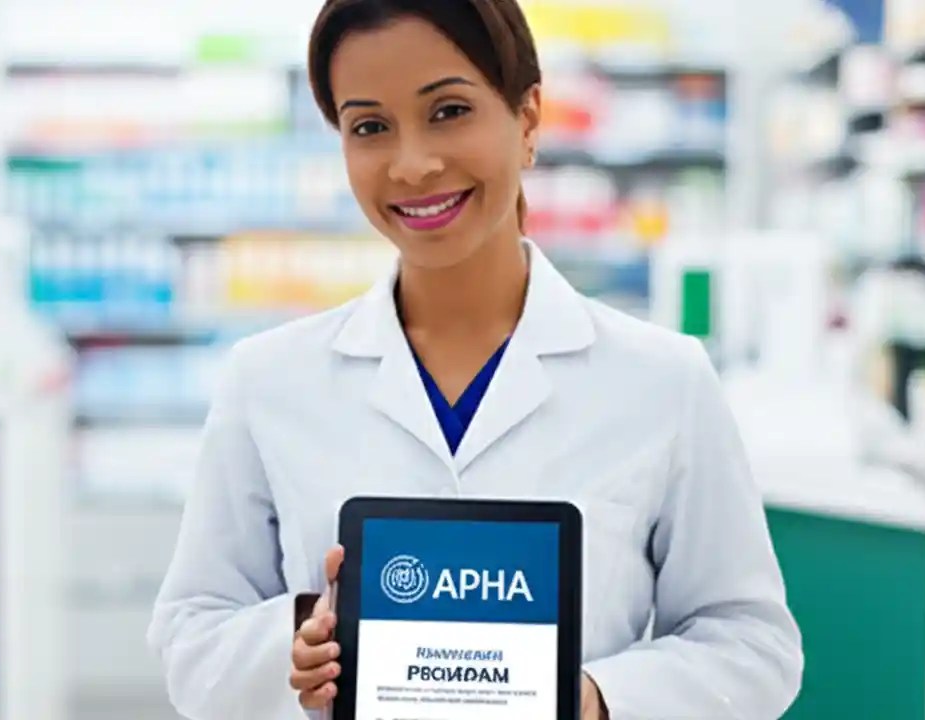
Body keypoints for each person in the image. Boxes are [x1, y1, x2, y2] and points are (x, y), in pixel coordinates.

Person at [147, 0, 804, 717]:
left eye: (449, 111)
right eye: (369, 126)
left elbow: (752, 644)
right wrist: (301, 639)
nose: (413, 164)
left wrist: (593, 699)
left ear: (526, 121)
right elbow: (190, 637)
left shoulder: (662, 381)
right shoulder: (269, 380)